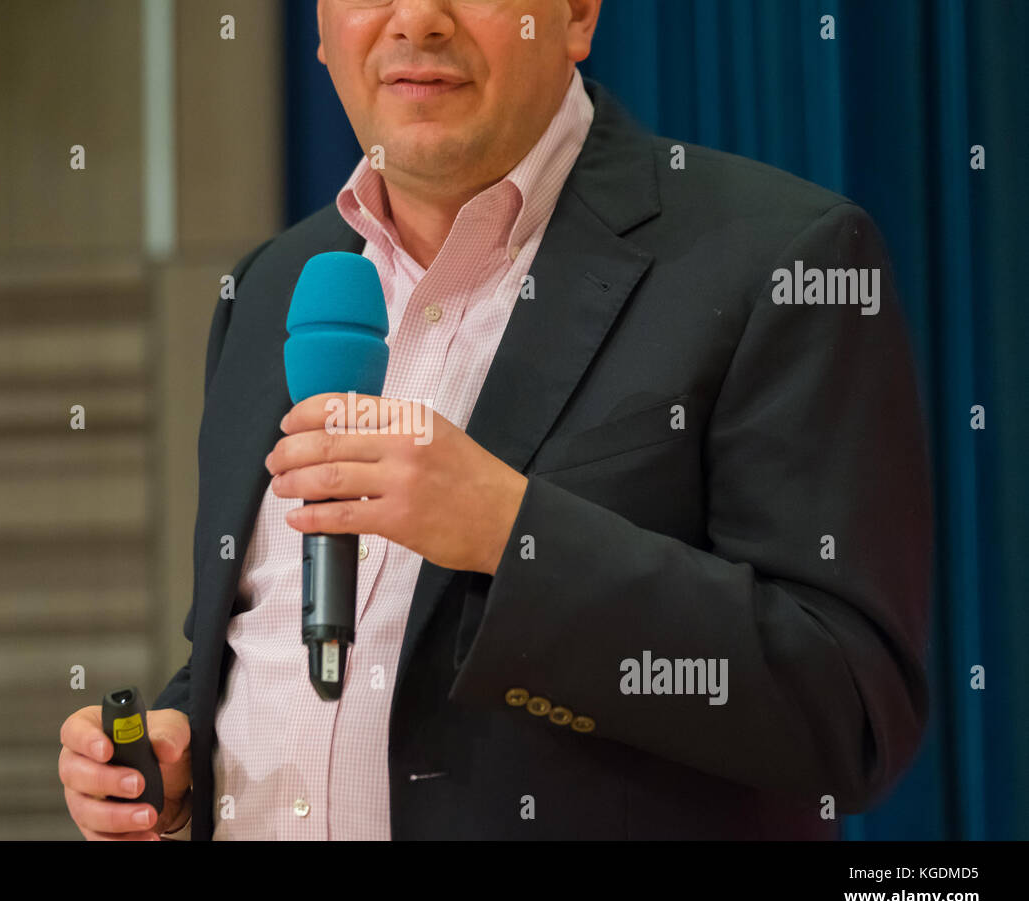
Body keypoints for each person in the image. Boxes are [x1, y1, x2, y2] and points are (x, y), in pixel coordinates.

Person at [59, 0, 932, 840]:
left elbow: (848, 707)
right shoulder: (270, 288)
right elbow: (260, 640)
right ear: (320, 30)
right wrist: (178, 743)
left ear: (579, 14)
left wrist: (513, 533)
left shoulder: (780, 259)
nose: (416, 19)